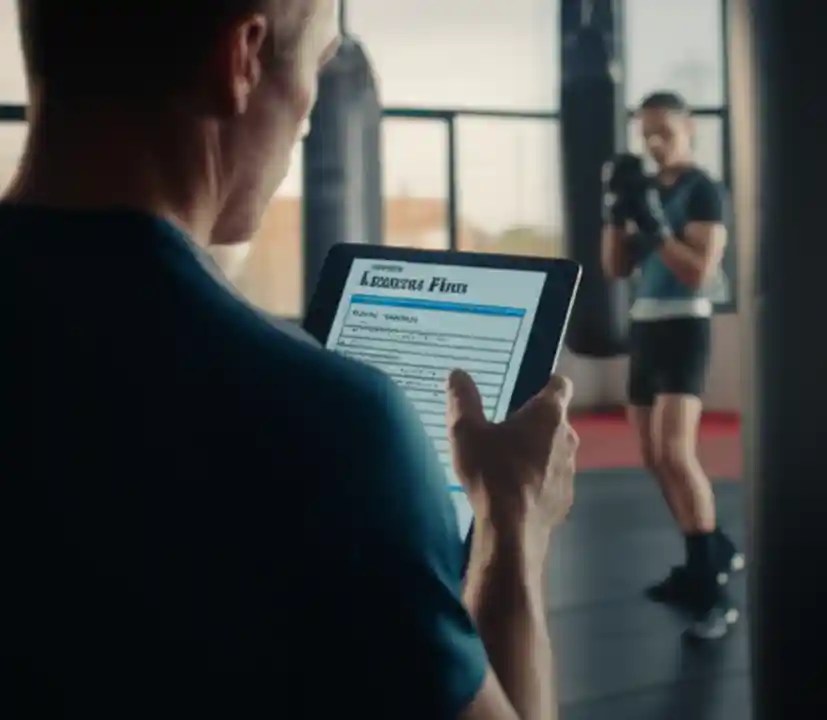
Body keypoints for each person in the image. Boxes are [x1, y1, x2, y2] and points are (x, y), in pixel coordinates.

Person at [0, 1, 574, 718]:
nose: (308, 112)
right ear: (241, 59)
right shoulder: (331, 429)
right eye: (317, 66)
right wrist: (512, 526)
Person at [600, 91, 743, 640]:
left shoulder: (703, 189)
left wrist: (655, 227)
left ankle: (712, 593)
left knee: (677, 453)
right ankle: (708, 551)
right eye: (646, 132)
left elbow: (698, 272)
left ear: (689, 129)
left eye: (664, 130)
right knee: (653, 455)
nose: (655, 142)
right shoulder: (644, 188)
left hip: (686, 324)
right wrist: (617, 209)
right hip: (645, 323)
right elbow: (614, 266)